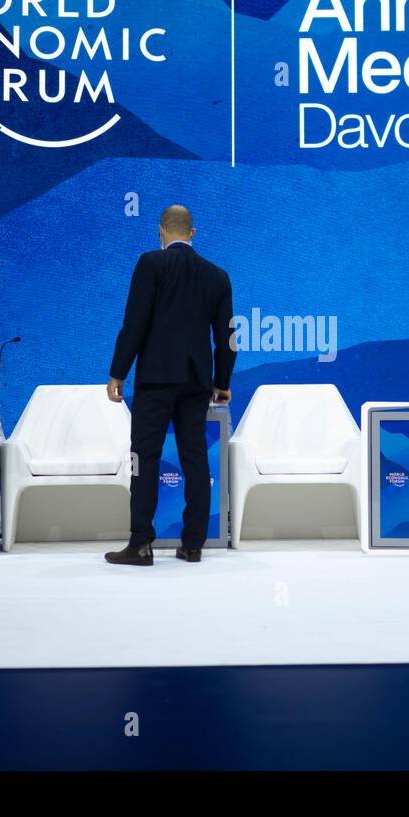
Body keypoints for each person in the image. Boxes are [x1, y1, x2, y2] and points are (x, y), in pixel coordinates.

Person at [104, 204, 235, 565]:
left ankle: (141, 544)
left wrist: (118, 372)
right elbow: (227, 337)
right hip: (196, 381)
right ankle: (193, 545)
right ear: (193, 233)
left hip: (156, 380)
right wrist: (222, 381)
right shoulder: (218, 276)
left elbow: (134, 323)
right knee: (195, 459)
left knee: (143, 459)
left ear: (160, 232)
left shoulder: (150, 263)